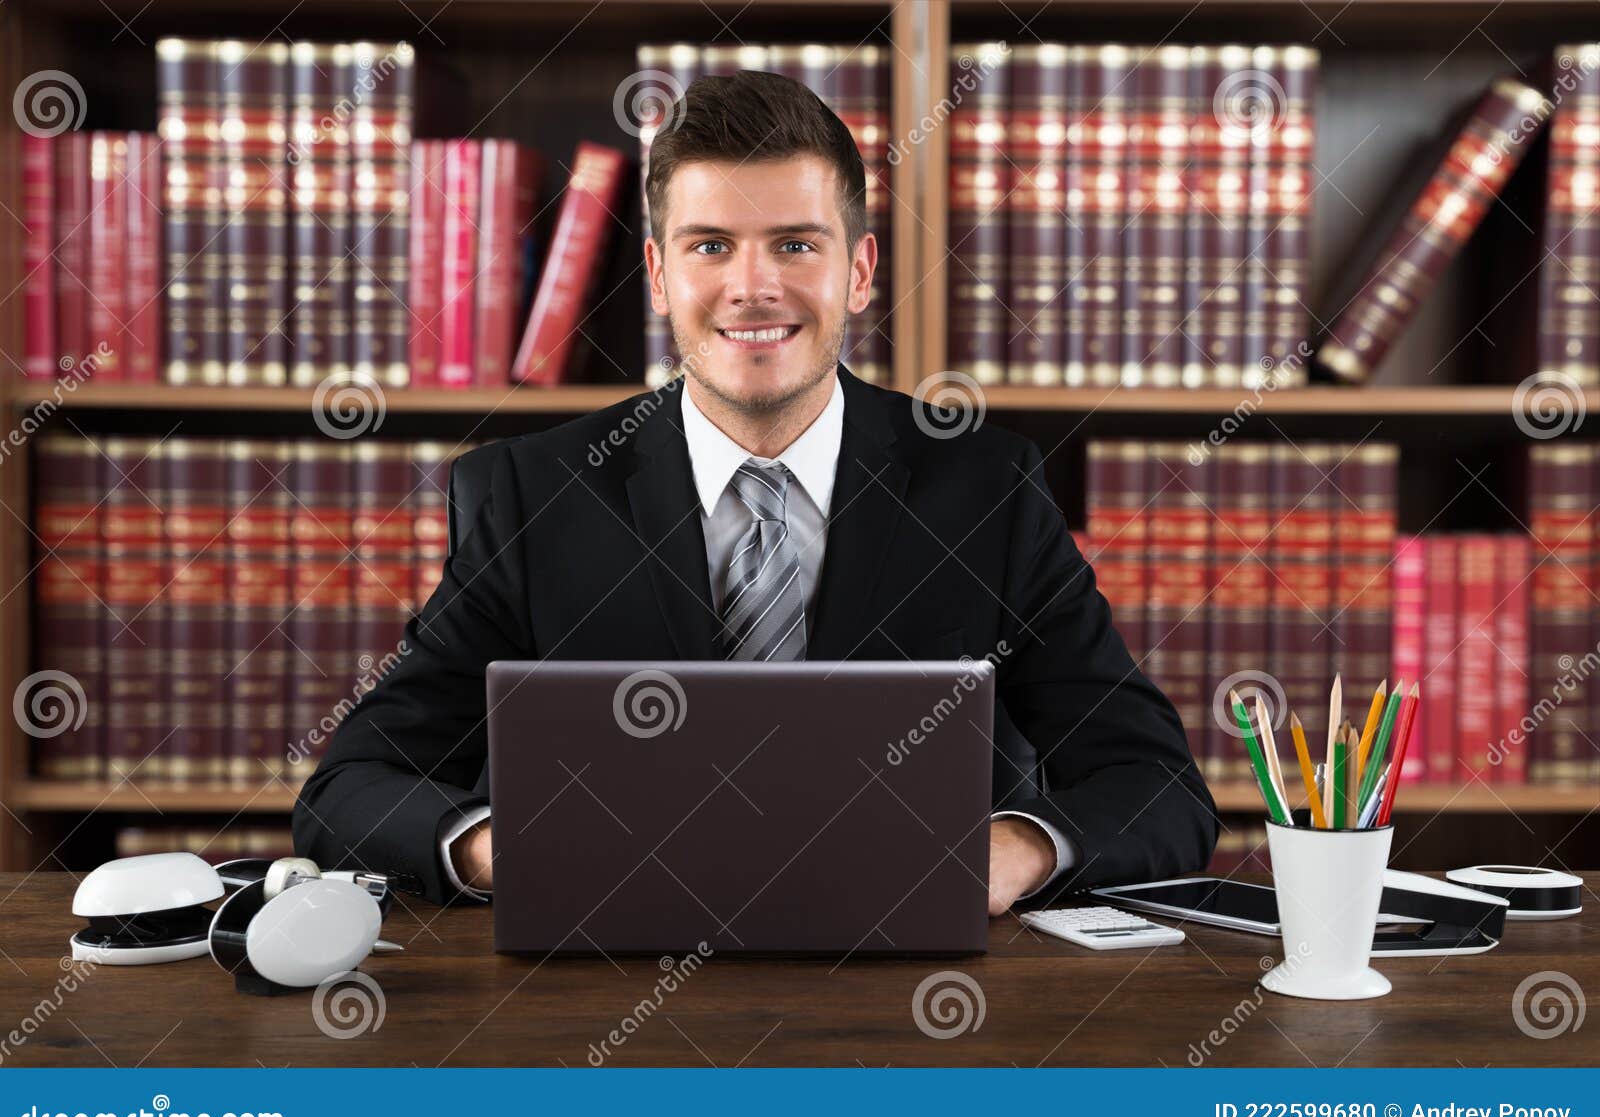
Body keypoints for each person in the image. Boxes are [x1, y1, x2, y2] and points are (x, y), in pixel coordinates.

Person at [293, 69, 1217, 914]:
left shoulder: (987, 488)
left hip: (907, 997)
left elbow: (1155, 783)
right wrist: (509, 849)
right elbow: (356, 784)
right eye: (710, 246)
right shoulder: (530, 495)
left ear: (857, 273)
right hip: (600, 998)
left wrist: (1014, 851)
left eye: (794, 244)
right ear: (659, 276)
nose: (753, 286)